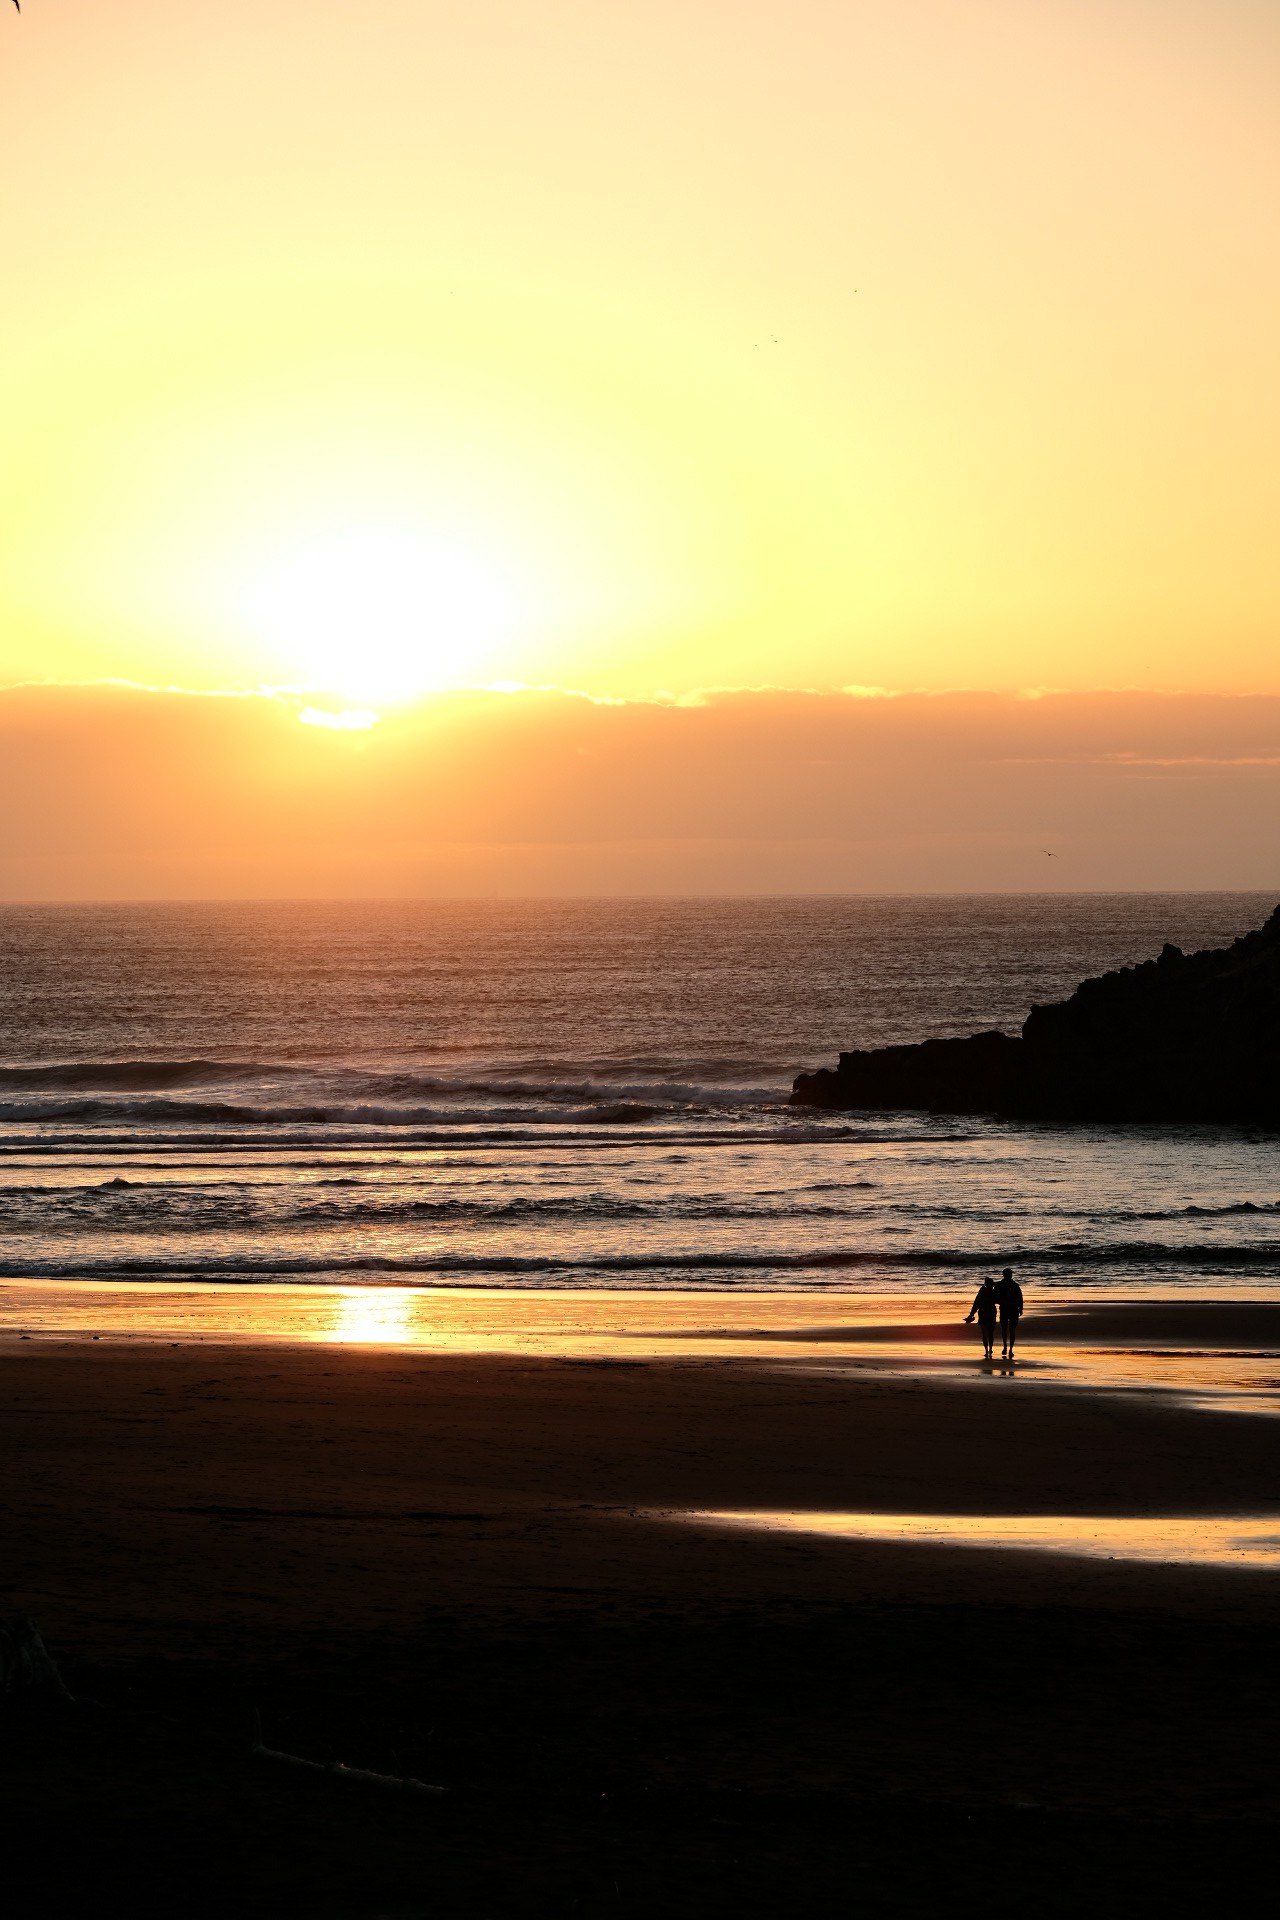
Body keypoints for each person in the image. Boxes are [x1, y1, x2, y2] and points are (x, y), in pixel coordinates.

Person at [964, 1276, 998, 1360]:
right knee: (990, 1333)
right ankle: (990, 1349)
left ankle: (986, 1350)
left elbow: (976, 1304)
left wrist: (971, 1315)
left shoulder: (981, 1293)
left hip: (983, 1313)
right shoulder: (993, 1293)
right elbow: (998, 1301)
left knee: (984, 1333)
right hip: (991, 1313)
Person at [995, 1266, 1024, 1358]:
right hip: (1012, 1309)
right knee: (1011, 1329)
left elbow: (995, 1297)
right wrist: (1021, 1308)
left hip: (1005, 1308)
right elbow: (1020, 1298)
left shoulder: (999, 1285)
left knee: (1005, 1329)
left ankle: (1006, 1348)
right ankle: (1010, 1349)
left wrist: (1001, 1301)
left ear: (1003, 1275)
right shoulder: (1015, 1285)